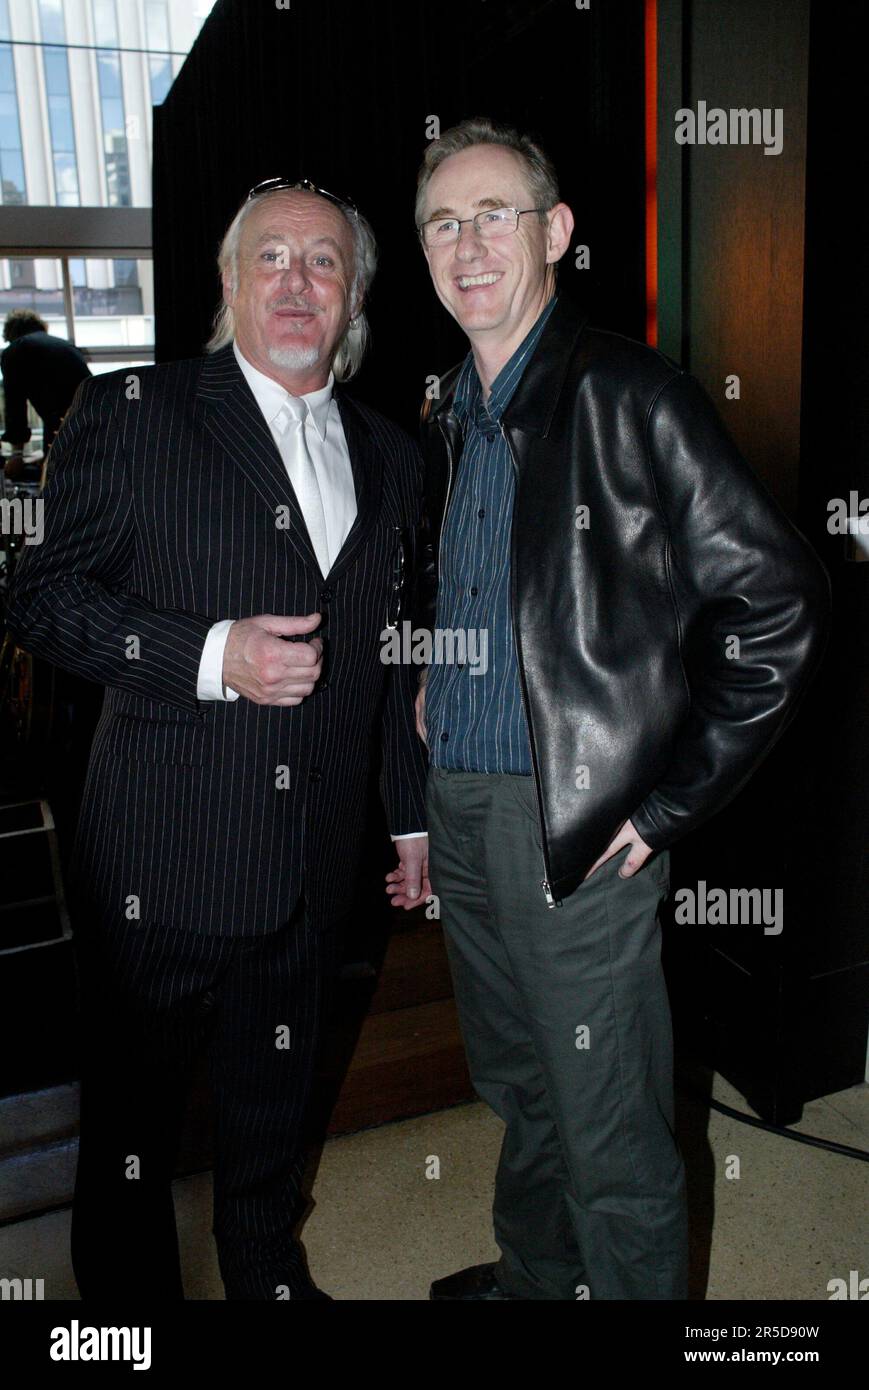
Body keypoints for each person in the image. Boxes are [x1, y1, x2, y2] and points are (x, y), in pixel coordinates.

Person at [408, 118, 830, 1300]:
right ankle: (537, 1279)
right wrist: (445, 668)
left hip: (579, 828)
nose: (467, 243)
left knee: (611, 1135)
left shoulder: (630, 393)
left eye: (494, 213)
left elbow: (779, 604)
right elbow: (507, 582)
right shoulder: (456, 403)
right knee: (519, 1087)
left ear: (553, 232)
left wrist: (663, 805)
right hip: (469, 811)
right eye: (443, 221)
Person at [5, 180, 430, 1301]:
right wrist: (208, 654)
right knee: (133, 1145)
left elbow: (389, 648)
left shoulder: (394, 454)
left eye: (324, 262)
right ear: (231, 284)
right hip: (160, 861)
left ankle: (266, 1275)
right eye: (272, 257)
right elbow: (40, 599)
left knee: (274, 1112)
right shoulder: (135, 410)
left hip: (313, 869)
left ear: (354, 301)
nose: (297, 281)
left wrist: (409, 812)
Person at [1, 310, 91, 480]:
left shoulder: (15, 351)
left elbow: (15, 408)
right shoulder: (64, 346)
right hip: (94, 419)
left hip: (66, 425)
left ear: (11, 333)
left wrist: (16, 456)